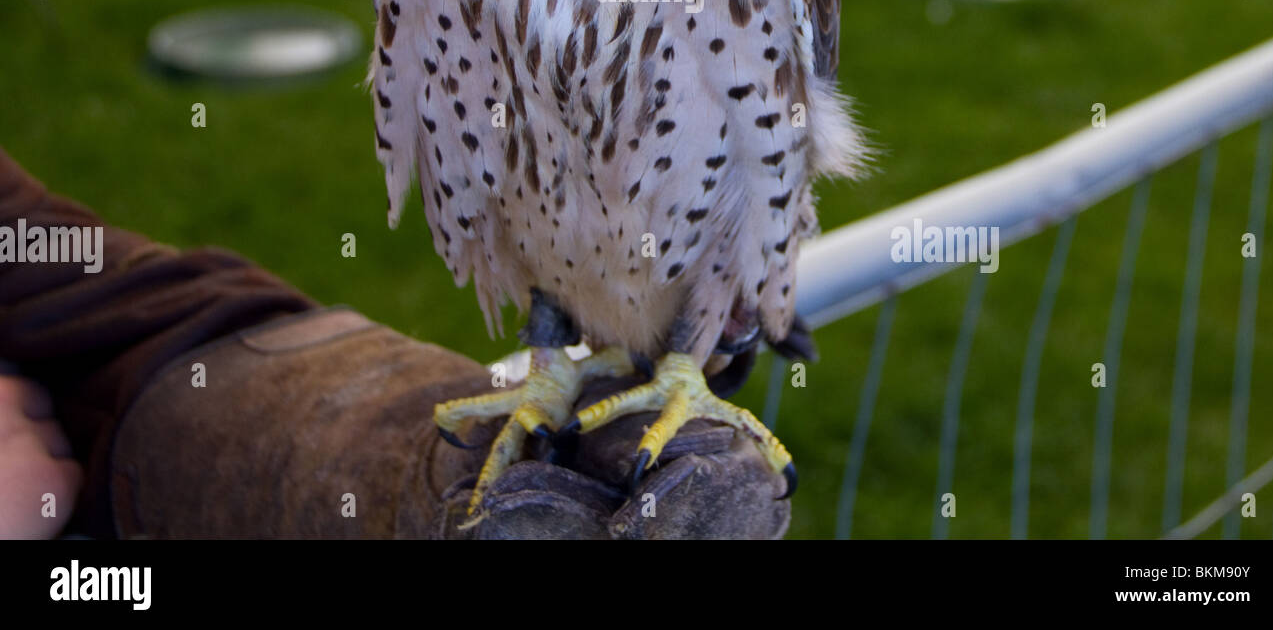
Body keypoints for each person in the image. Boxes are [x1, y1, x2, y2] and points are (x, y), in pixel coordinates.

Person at [0, 147, 788, 540]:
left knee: (489, 484)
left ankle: (473, 470)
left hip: (161, 348)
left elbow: (34, 246)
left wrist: (418, 468)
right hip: (102, 443)